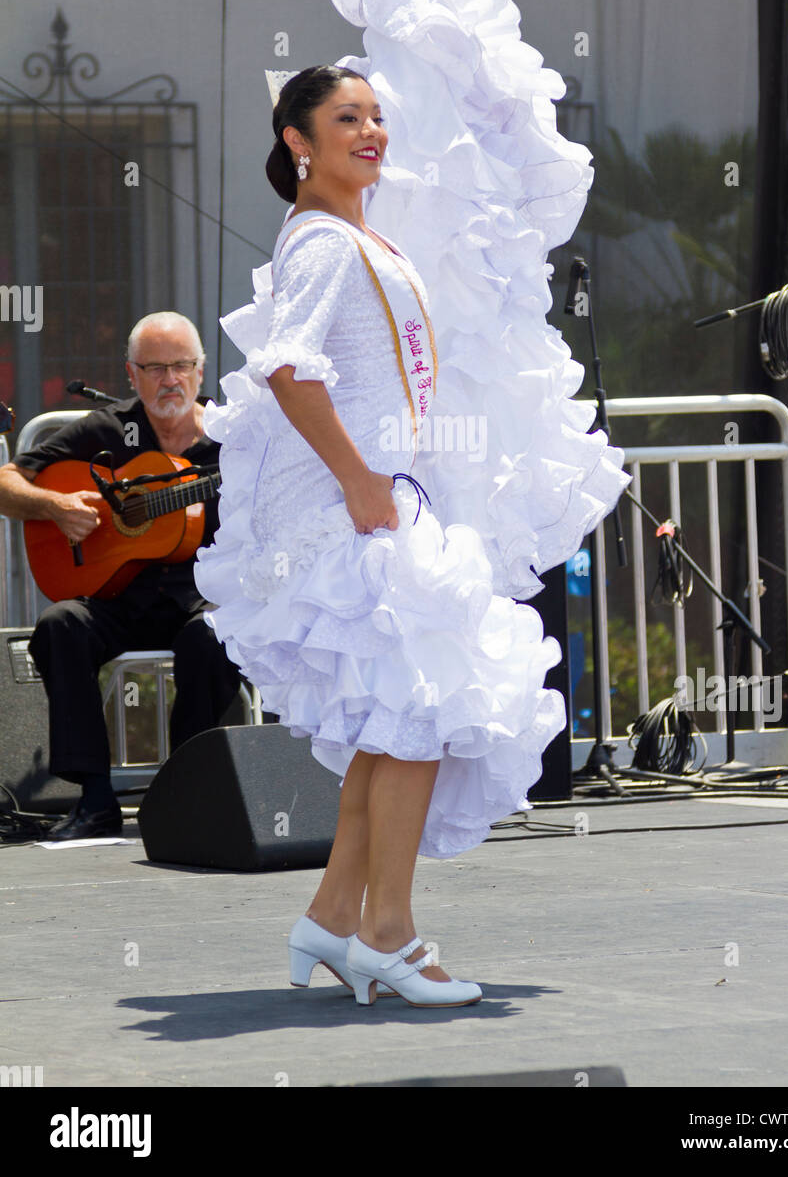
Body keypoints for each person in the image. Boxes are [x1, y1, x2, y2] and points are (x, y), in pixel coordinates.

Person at [194, 50, 627, 1007]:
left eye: (376, 116)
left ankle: (335, 918)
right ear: (299, 142)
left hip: (381, 499)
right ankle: (387, 934)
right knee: (422, 711)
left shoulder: (359, 235)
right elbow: (288, 368)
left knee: (397, 722)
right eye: (347, 120)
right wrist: (358, 481)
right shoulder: (321, 240)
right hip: (349, 509)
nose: (371, 133)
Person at [0, 313, 243, 840]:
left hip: (199, 596)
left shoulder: (232, 439)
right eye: (155, 368)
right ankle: (94, 800)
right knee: (61, 625)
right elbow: (6, 482)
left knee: (213, 637)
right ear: (131, 374)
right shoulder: (107, 429)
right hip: (118, 596)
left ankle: (186, 791)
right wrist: (54, 506)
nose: (170, 380)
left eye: (181, 366)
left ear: (201, 371)